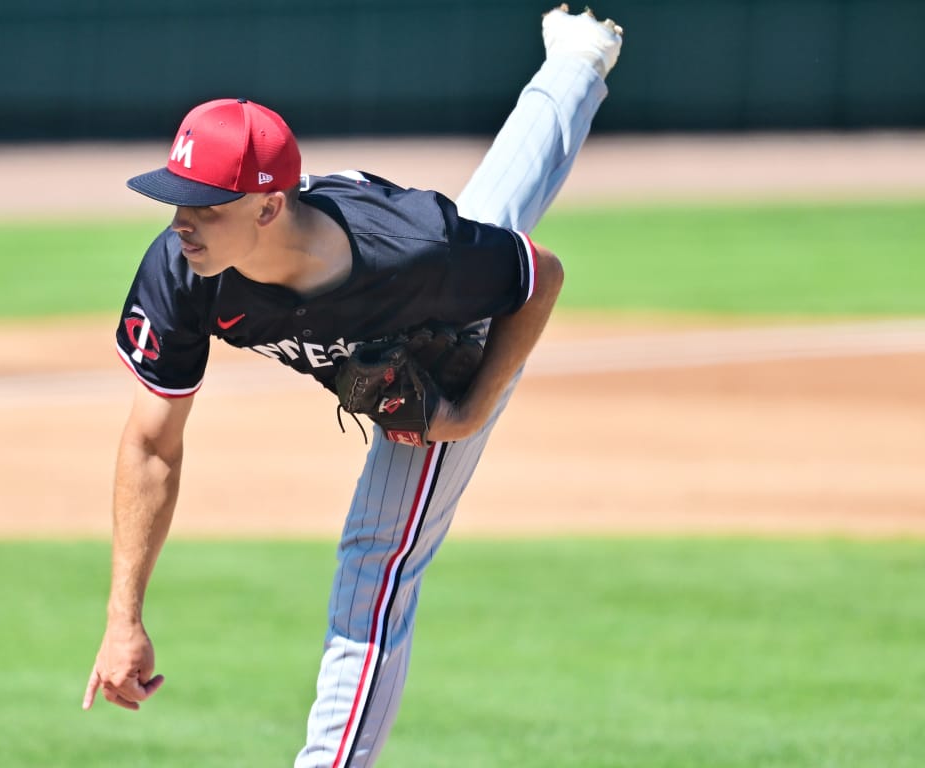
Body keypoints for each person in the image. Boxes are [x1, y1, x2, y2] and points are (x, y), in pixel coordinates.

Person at [81, 5, 623, 766]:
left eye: (205, 204)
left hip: (447, 344)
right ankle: (575, 60)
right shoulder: (183, 270)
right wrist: (121, 616)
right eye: (178, 197)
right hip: (398, 276)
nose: (182, 222)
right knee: (489, 217)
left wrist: (470, 412)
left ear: (269, 205)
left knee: (376, 556)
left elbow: (540, 278)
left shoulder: (412, 253)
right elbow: (150, 441)